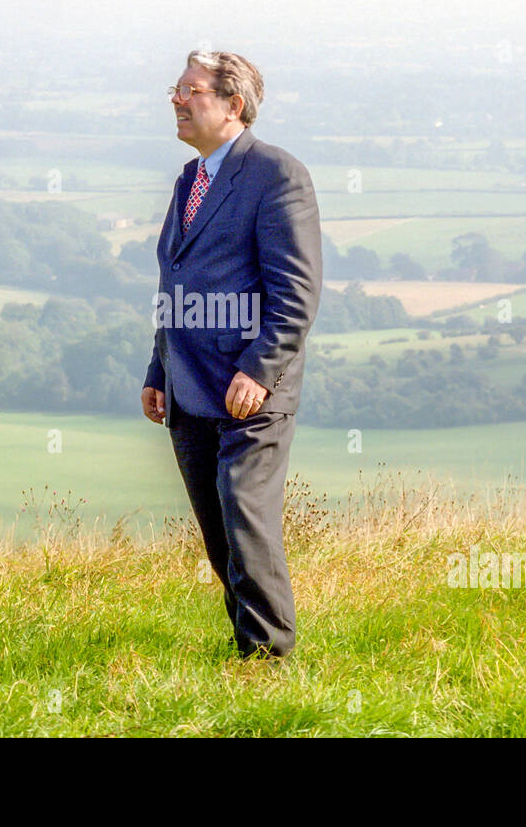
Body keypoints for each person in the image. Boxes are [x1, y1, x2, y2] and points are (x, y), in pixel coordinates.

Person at [140, 50, 322, 659]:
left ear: (232, 104)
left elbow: (296, 292)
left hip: (252, 393)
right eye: (176, 88)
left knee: (245, 520)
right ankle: (250, 645)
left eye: (190, 90)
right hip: (188, 388)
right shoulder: (189, 180)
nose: (176, 99)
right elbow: (176, 283)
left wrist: (260, 371)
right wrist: (157, 368)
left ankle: (269, 665)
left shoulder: (276, 174)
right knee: (219, 535)